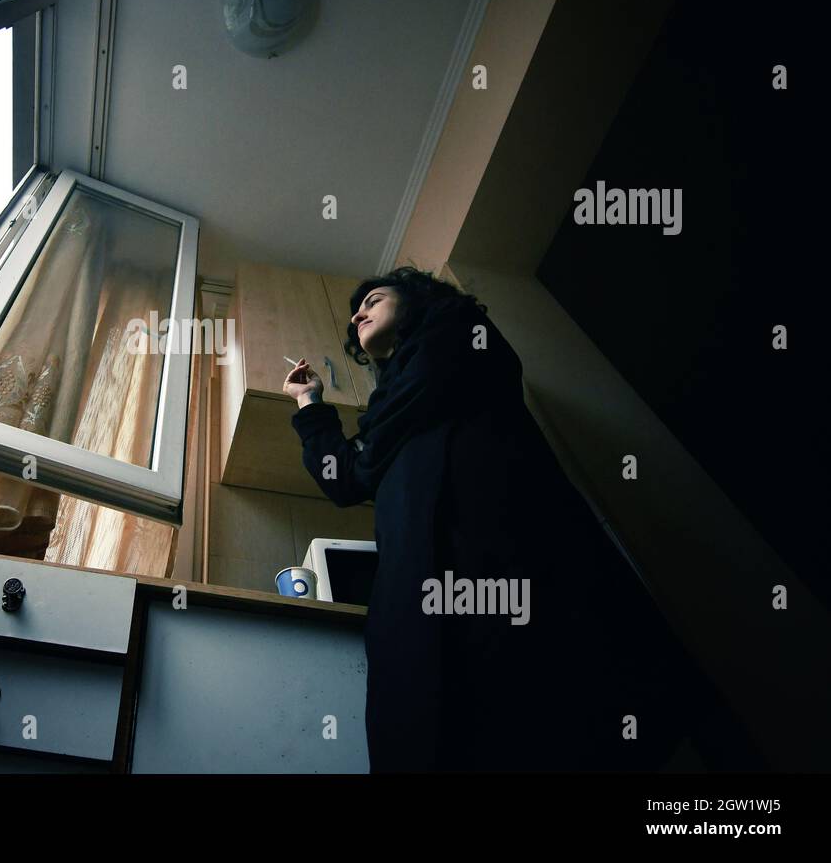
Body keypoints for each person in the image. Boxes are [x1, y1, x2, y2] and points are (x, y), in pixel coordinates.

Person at [284, 266, 708, 772]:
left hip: (508, 559)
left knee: (554, 714)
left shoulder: (460, 331)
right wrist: (309, 402)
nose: (358, 314)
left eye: (373, 300)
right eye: (356, 313)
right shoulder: (391, 420)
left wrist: (368, 443)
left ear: (417, 300)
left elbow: (379, 440)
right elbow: (345, 479)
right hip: (417, 594)